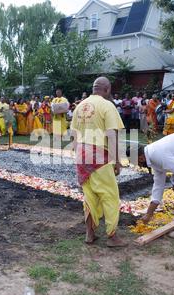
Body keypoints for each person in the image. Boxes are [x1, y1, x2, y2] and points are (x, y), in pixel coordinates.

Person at [70, 77, 127, 248]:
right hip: (99, 154)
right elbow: (111, 135)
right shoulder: (107, 105)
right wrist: (117, 161)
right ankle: (112, 236)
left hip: (81, 154)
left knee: (89, 196)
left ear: (93, 88)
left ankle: (90, 234)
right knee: (109, 195)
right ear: (107, 89)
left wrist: (78, 155)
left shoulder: (80, 106)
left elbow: (73, 135)